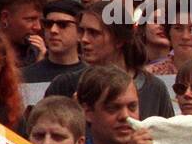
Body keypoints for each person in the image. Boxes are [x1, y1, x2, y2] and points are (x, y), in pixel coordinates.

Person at [45, 7, 175, 119]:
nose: (83, 39)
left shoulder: (154, 88)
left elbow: (167, 141)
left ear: (119, 40)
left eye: (93, 33)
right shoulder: (64, 85)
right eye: (82, 31)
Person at [24, 0, 86, 84]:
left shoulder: (90, 78)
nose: (53, 30)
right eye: (48, 24)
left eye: (63, 25)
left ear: (80, 32)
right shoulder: (23, 77)